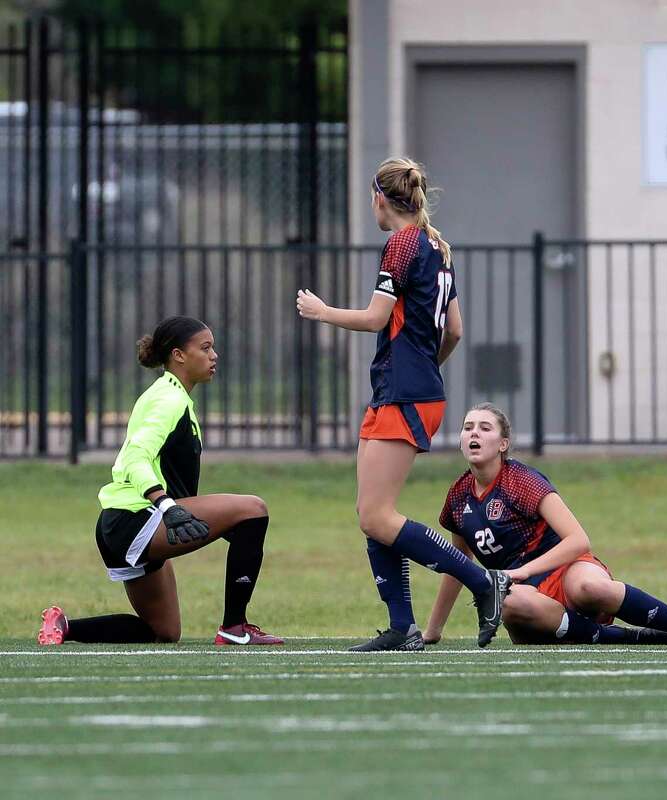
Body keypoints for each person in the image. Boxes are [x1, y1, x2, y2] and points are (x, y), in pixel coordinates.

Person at [297, 158, 509, 651]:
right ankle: (402, 626)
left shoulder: (403, 242)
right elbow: (453, 330)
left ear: (379, 198)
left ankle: (485, 583)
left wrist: (322, 312)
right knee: (370, 511)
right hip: (406, 387)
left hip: (405, 391)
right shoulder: (438, 245)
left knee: (376, 516)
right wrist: (425, 364)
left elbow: (377, 319)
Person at [422, 403, 667, 647]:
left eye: (485, 427)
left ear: (503, 443)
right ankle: (622, 638)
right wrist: (433, 630)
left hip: (566, 570)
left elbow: (578, 540)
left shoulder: (522, 481)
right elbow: (457, 565)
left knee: (593, 589)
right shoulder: (458, 497)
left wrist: (522, 572)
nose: (474, 433)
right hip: (527, 598)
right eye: (468, 427)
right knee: (511, 606)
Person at [38, 316, 283, 646]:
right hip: (139, 518)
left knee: (163, 631)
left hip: (118, 524)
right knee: (253, 510)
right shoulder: (170, 400)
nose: (214, 356)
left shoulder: (167, 394)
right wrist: (166, 505)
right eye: (205, 348)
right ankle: (234, 627)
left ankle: (64, 627)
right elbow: (133, 458)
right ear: (179, 355)